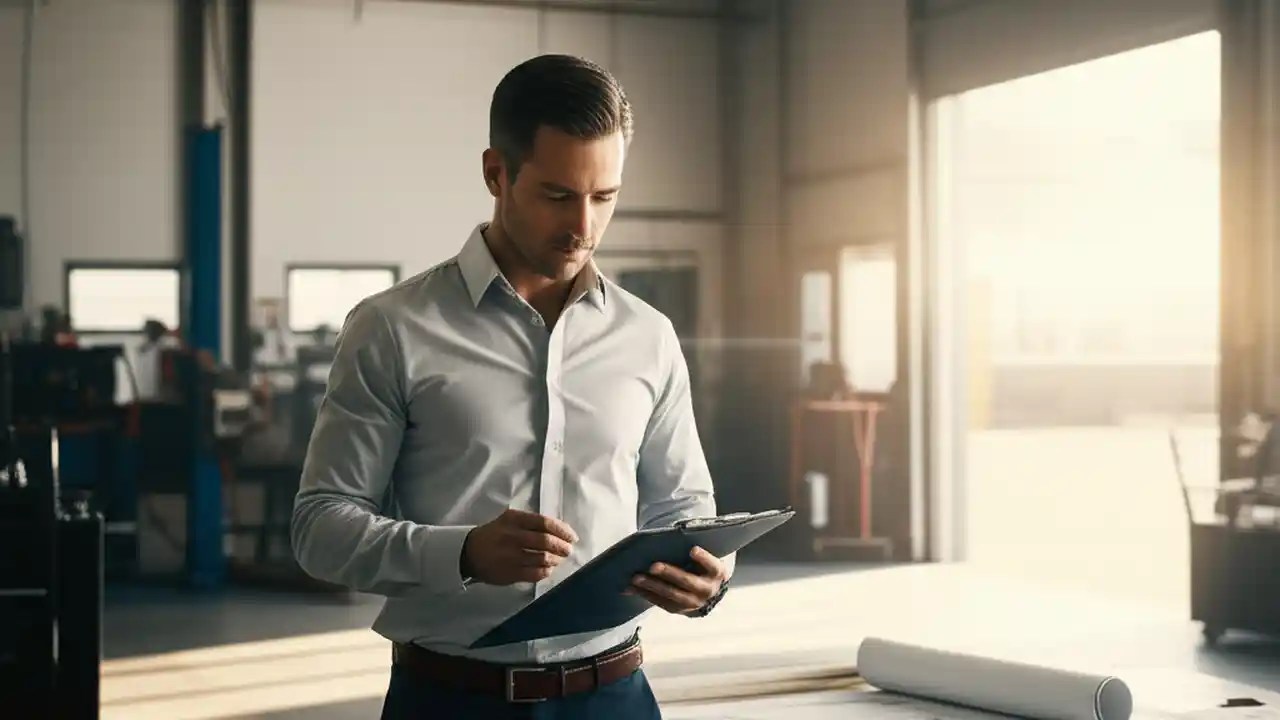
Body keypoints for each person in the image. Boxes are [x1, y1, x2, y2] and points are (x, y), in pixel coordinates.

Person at [291, 54, 732, 718]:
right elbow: (321, 528)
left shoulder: (649, 336)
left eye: (605, 197)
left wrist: (706, 576)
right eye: (558, 195)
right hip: (449, 700)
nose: (584, 225)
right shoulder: (392, 328)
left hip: (615, 697)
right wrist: (463, 553)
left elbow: (683, 509)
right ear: (496, 173)